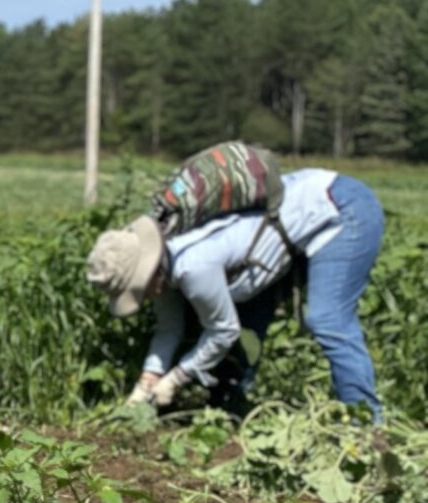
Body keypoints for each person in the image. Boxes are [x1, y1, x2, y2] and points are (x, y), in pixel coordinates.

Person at [86, 168, 387, 418]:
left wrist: (176, 378)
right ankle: (231, 411)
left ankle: (366, 427)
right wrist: (148, 380)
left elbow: (223, 332)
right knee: (249, 322)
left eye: (136, 291)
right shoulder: (164, 262)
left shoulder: (193, 268)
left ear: (146, 272)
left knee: (327, 319)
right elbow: (168, 329)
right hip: (301, 215)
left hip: (339, 208)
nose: (142, 298)